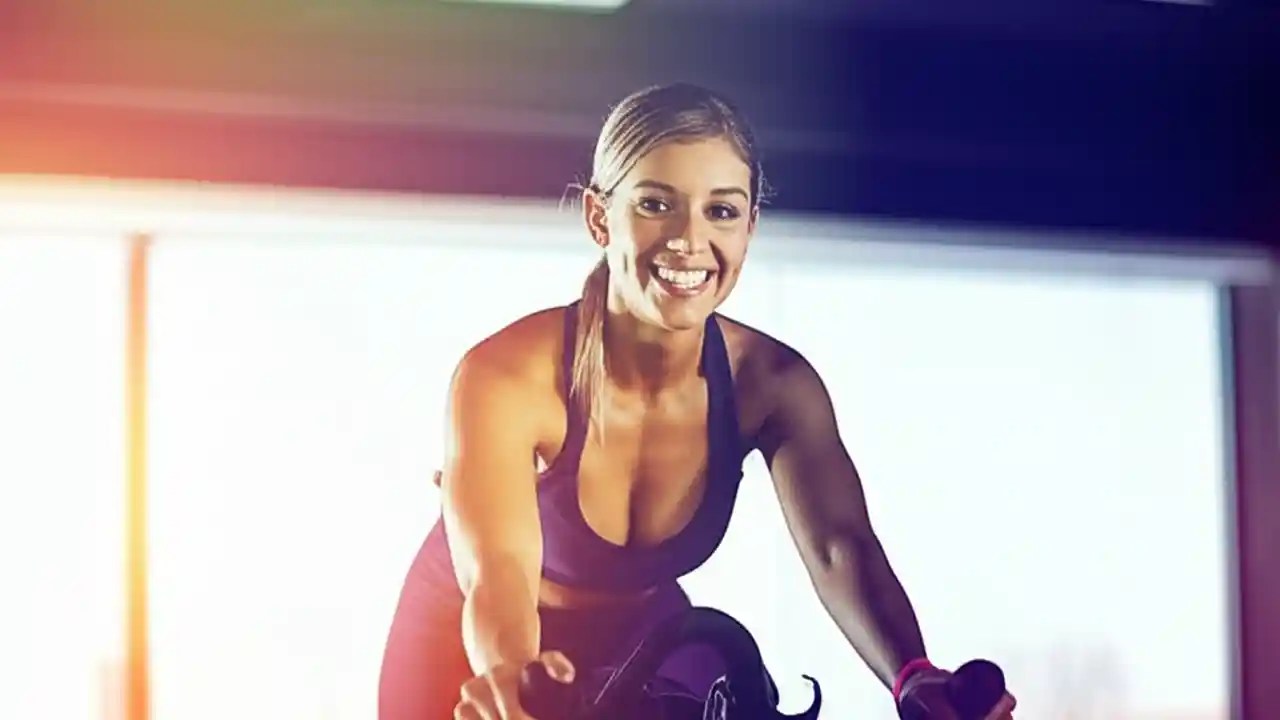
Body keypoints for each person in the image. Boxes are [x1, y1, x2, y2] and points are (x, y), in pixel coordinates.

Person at [377, 82, 1018, 720]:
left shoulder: (773, 383)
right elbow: (500, 572)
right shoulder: (507, 375)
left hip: (641, 634)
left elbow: (839, 547)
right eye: (656, 205)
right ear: (600, 218)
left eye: (722, 212)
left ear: (750, 226)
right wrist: (513, 677)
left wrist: (914, 676)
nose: (689, 239)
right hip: (475, 640)